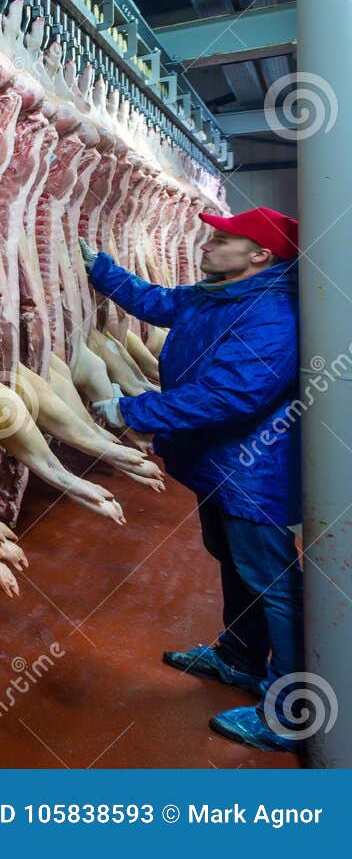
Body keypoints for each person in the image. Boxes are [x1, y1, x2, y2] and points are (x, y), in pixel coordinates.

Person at [80, 206, 302, 752]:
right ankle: (240, 659)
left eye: (221, 239)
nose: (206, 245)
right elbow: (159, 303)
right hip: (217, 463)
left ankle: (291, 713)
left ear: (259, 255)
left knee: (272, 584)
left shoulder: (272, 315)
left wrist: (135, 412)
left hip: (253, 469)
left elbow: (231, 394)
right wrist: (101, 269)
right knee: (233, 563)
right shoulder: (216, 295)